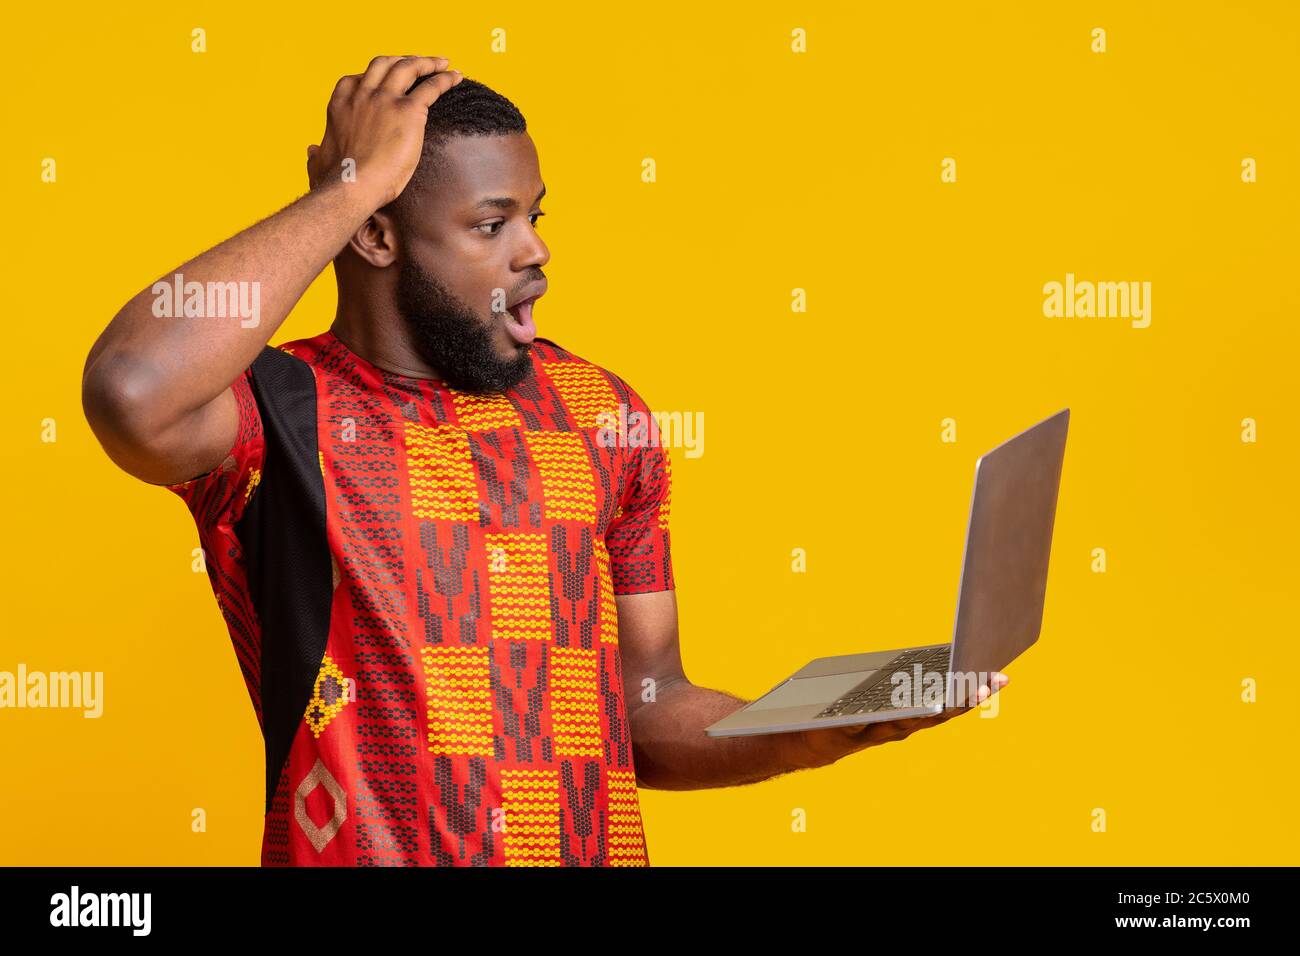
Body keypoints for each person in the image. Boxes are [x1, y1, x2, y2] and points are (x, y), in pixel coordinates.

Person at [81, 56, 1008, 866]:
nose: (536, 250)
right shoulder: (271, 416)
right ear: (375, 236)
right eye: (492, 225)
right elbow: (131, 387)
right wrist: (345, 189)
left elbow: (649, 711)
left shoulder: (607, 419)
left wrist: (829, 725)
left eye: (534, 214)